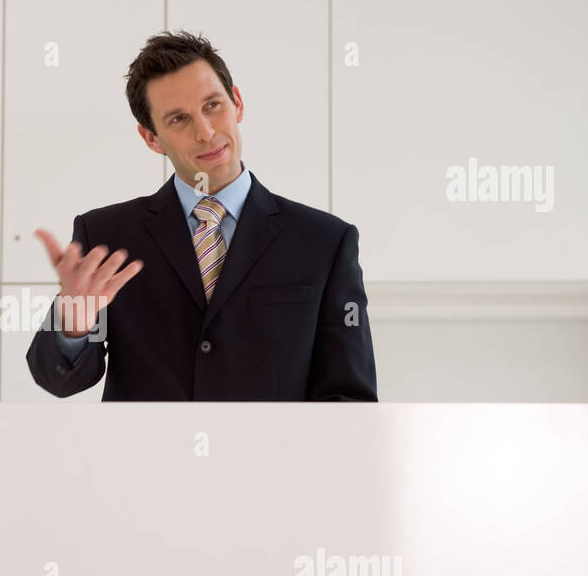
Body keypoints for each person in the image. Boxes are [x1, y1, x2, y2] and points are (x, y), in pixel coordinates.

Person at [27, 30, 378, 401]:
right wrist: (75, 318)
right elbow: (58, 381)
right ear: (151, 138)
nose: (206, 132)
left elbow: (349, 399)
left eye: (212, 106)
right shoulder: (106, 236)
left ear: (237, 102)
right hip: (144, 457)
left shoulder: (325, 242)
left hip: (274, 459)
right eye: (179, 119)